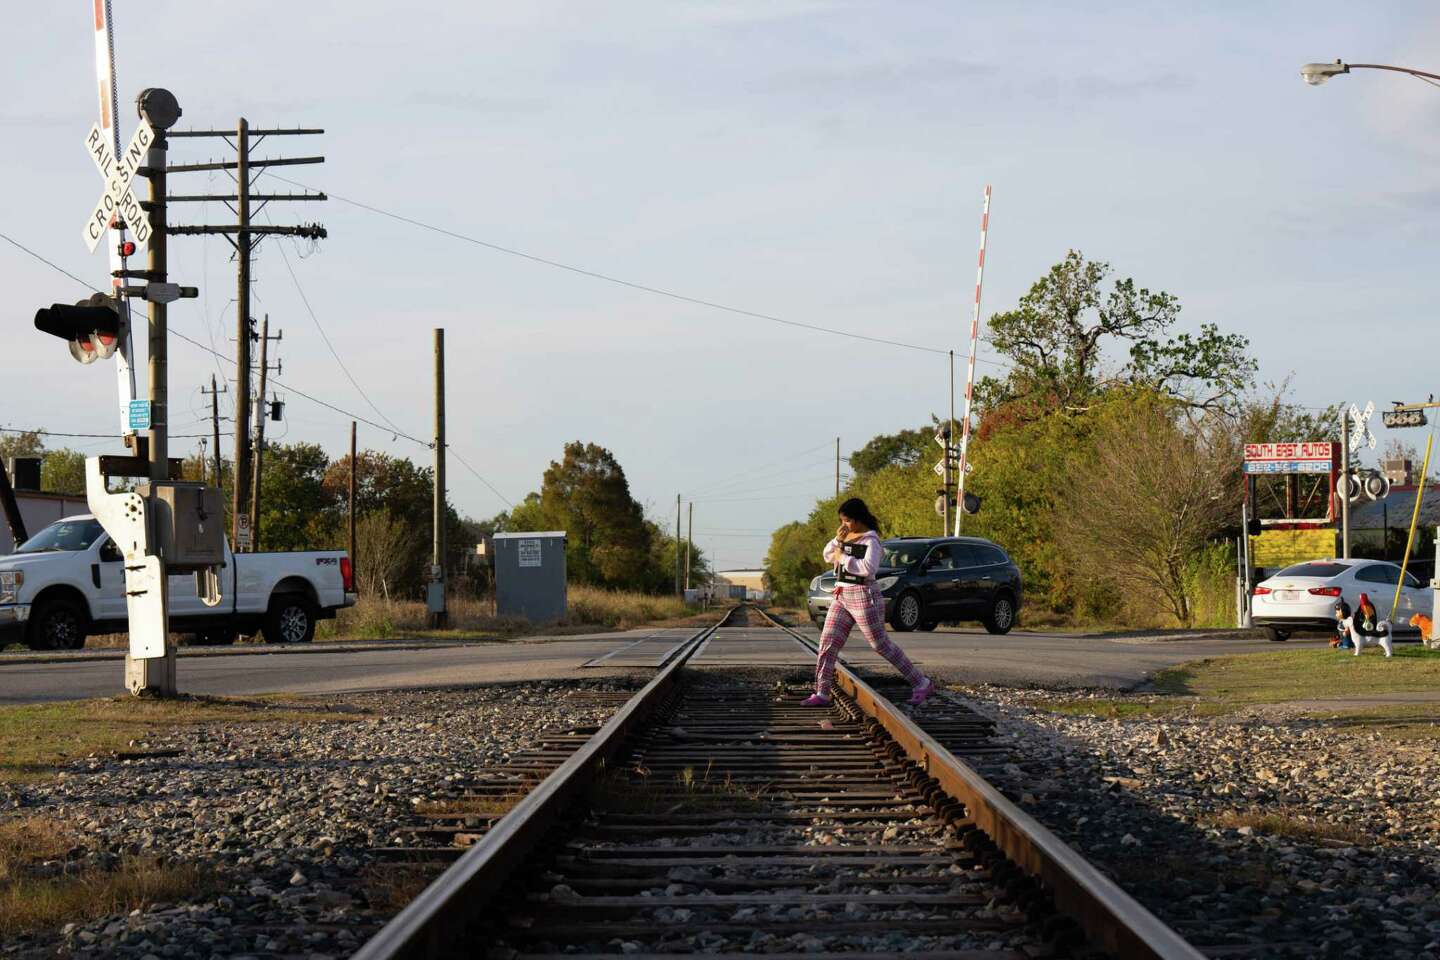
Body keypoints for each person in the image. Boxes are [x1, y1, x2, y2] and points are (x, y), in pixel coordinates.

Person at [803, 497, 936, 707]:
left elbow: (868, 568)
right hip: (841, 596)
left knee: (880, 644)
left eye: (847, 521)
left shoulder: (871, 540)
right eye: (842, 521)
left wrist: (843, 557)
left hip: (864, 596)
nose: (844, 525)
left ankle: (921, 682)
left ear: (858, 520)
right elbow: (827, 555)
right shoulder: (845, 537)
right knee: (827, 643)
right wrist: (837, 541)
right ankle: (822, 692)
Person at [1347, 592, 1393, 658]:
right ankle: (1388, 651)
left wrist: (1366, 619)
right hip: (1365, 624)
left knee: (1382, 641)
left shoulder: (1368, 606)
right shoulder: (1362, 605)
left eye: (1361, 598)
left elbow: (1370, 616)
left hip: (1369, 625)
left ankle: (1388, 652)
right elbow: (1359, 613)